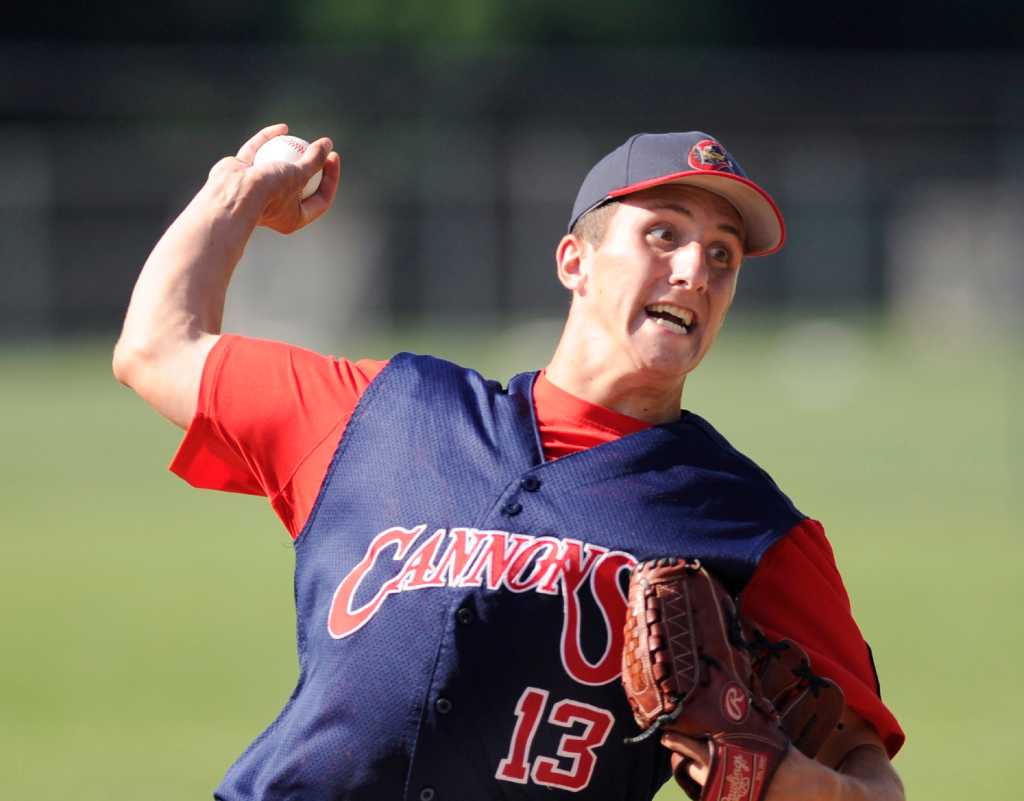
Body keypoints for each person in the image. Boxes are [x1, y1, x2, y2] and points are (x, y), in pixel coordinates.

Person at [113, 124, 906, 801]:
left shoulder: (751, 526)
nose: (696, 269)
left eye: (723, 255)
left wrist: (792, 782)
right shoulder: (386, 410)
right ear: (575, 261)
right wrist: (240, 193)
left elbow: (871, 779)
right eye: (663, 233)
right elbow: (157, 347)